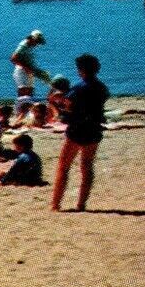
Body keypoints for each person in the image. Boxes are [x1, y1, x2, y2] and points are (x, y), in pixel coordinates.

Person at [52, 54, 109, 212]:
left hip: (78, 129)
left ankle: (56, 205)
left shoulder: (78, 88)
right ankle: (81, 204)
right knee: (87, 166)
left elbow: (67, 112)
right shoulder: (102, 88)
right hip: (94, 129)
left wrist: (56, 104)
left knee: (64, 167)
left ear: (81, 70)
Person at [11, 30, 48, 99]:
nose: (37, 44)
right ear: (32, 38)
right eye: (37, 41)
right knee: (23, 90)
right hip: (22, 71)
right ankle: (21, 106)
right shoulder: (23, 45)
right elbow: (13, 58)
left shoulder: (29, 46)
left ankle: (29, 105)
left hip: (29, 71)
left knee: (30, 91)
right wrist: (26, 68)